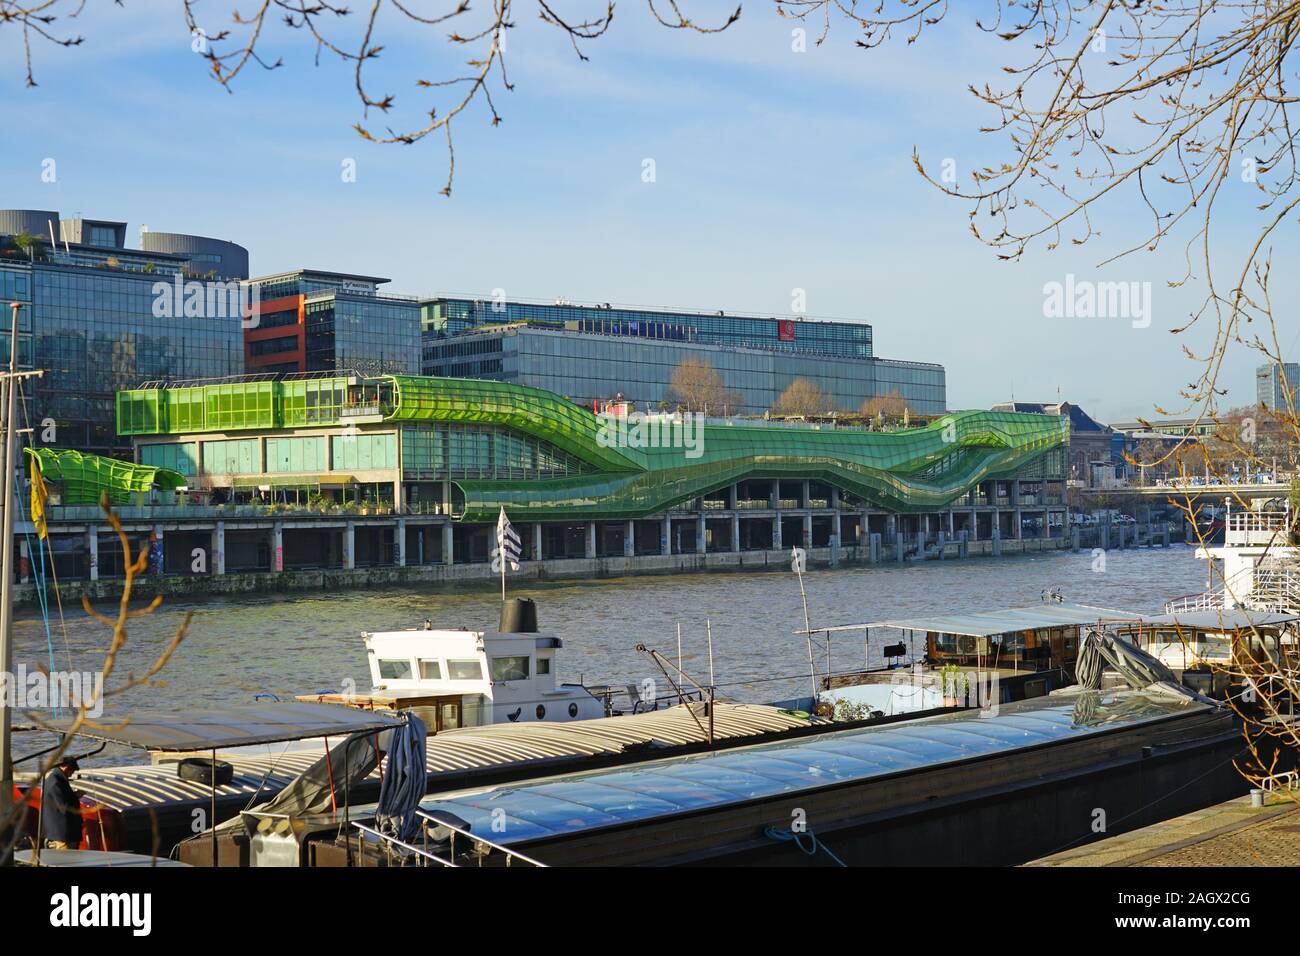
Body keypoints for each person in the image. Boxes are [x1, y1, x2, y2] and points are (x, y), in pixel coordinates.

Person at [40, 757, 83, 850]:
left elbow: (61, 799)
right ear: (66, 768)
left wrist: (74, 795)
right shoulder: (55, 782)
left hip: (63, 831)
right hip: (62, 832)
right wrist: (76, 796)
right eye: (72, 771)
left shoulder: (57, 779)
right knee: (65, 859)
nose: (71, 774)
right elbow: (63, 806)